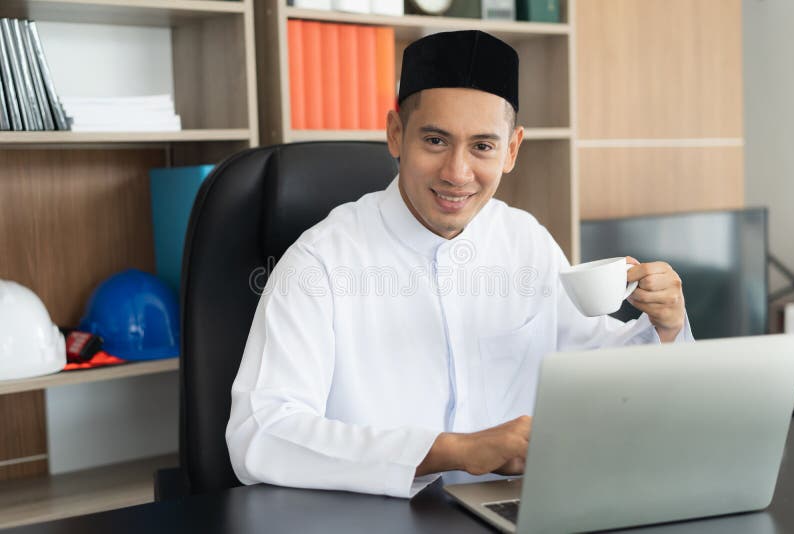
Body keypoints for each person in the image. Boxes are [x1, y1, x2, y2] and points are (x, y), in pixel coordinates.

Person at [226, 30, 692, 498]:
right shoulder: (321, 260)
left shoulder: (526, 241)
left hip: (513, 512)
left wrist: (665, 329)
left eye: (483, 146)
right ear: (395, 134)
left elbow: (594, 378)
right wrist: (451, 450)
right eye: (435, 140)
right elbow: (261, 432)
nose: (457, 173)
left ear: (512, 149)